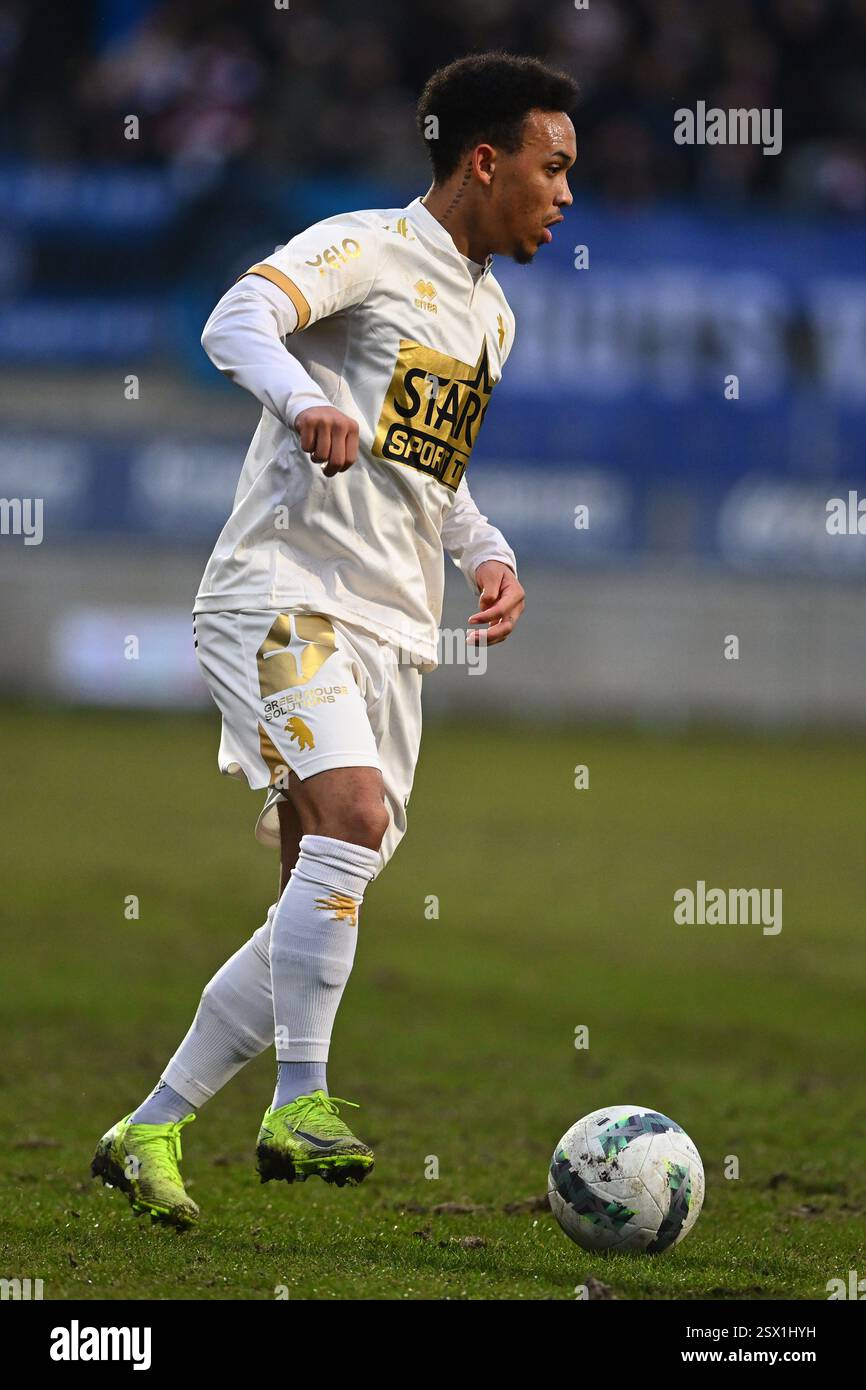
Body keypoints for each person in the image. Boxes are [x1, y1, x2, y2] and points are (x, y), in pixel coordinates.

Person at [91, 50, 576, 1226]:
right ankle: (299, 1099)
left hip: (386, 629)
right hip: (279, 593)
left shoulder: (490, 315)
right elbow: (238, 315)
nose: (563, 195)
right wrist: (299, 397)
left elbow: (431, 472)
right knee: (352, 821)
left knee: (326, 880)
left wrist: (488, 549)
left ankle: (147, 1129)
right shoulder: (365, 246)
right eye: (550, 169)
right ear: (483, 159)